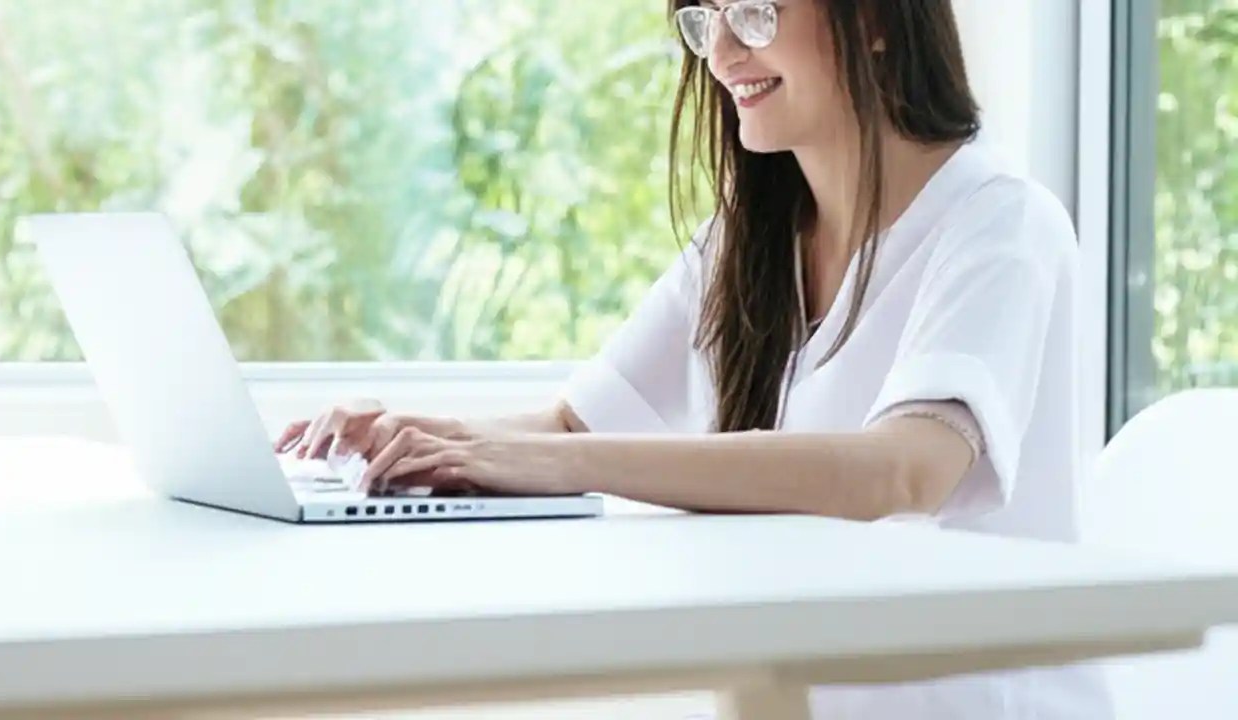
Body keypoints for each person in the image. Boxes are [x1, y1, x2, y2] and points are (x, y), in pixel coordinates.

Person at [274, 1, 1113, 717]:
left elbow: (902, 473)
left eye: (755, 12)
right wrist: (409, 440)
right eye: (705, 18)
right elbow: (575, 421)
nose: (721, 51)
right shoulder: (746, 245)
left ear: (873, 20)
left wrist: (550, 461)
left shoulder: (1000, 223)